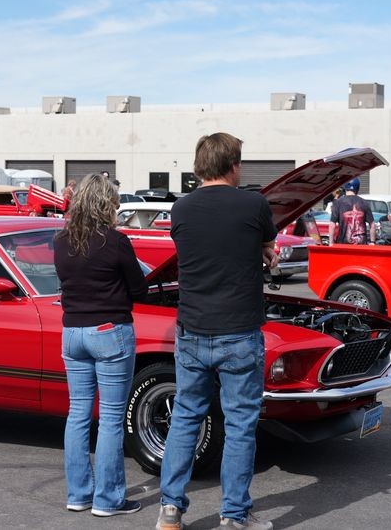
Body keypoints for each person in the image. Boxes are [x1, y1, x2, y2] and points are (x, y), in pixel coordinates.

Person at [158, 132, 276, 530]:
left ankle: (170, 510)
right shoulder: (254, 204)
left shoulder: (181, 209)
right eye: (240, 163)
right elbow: (265, 244)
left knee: (186, 417)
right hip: (239, 331)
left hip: (192, 329)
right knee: (240, 424)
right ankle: (234, 516)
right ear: (232, 165)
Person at [53, 173, 147, 518]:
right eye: (115, 202)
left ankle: (78, 494)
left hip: (72, 333)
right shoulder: (116, 241)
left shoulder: (61, 240)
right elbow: (138, 290)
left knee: (77, 413)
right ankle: (108, 500)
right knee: (109, 418)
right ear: (105, 203)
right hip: (109, 332)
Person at [329, 177, 374, 245]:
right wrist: (372, 242)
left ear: (345, 188)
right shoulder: (365, 203)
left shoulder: (338, 203)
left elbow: (332, 225)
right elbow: (372, 225)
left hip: (343, 245)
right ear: (357, 188)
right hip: (361, 245)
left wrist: (331, 242)